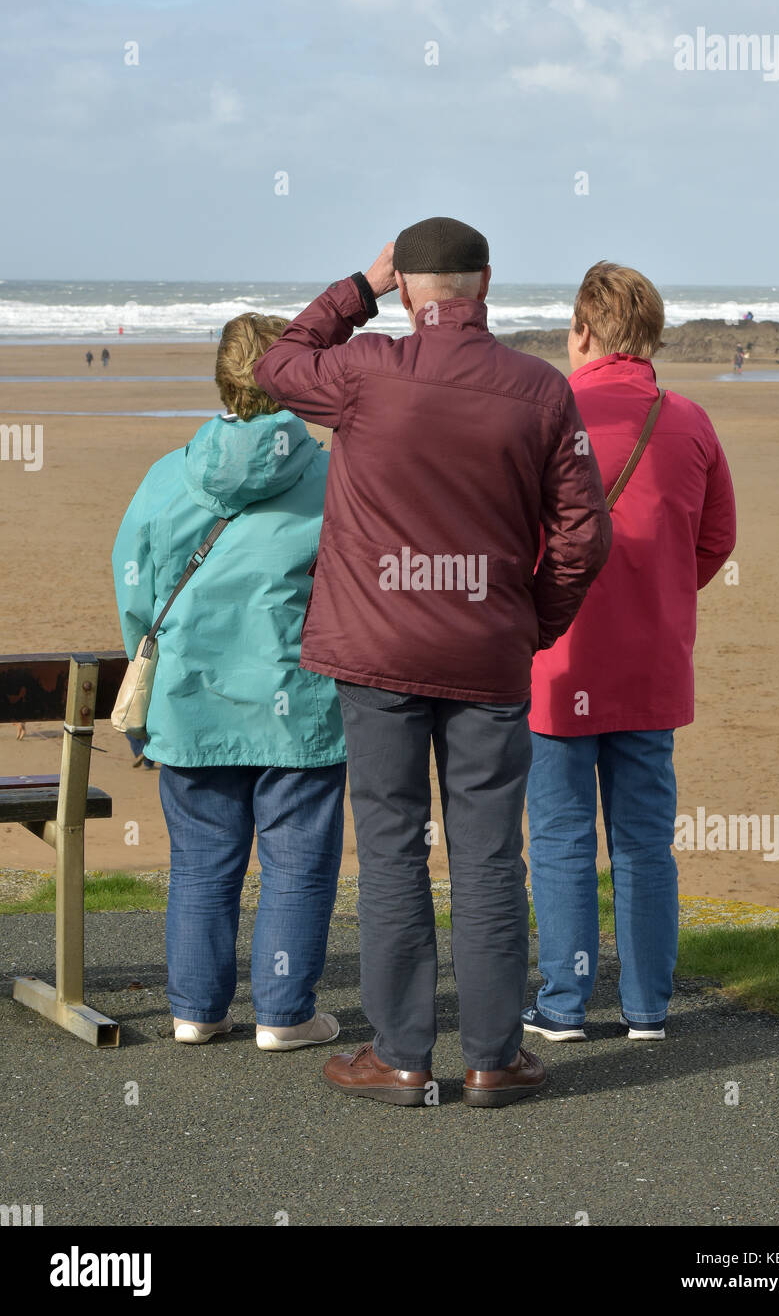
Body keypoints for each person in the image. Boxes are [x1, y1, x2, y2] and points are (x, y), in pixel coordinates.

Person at [253, 217, 612, 1107]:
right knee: (490, 857)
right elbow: (583, 533)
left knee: (392, 851)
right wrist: (533, 620)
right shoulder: (538, 389)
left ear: (411, 287)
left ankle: (403, 1055)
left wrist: (359, 288)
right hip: (486, 648)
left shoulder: (366, 372)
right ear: (485, 282)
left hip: (376, 653)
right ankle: (492, 1058)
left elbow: (276, 362)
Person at [113, 313, 346, 1051]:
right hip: (298, 709)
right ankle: (282, 1014)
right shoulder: (333, 476)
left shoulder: (166, 476)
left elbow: (137, 599)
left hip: (191, 702)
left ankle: (196, 1011)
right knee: (296, 867)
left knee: (202, 866)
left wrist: (147, 687)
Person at [524, 262, 736, 1045]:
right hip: (651, 661)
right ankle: (648, 1004)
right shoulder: (689, 421)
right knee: (646, 841)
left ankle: (565, 1002)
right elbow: (715, 541)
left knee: (563, 836)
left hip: (559, 661)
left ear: (582, 330)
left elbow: (517, 535)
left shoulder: (548, 414)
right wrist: (665, 590)